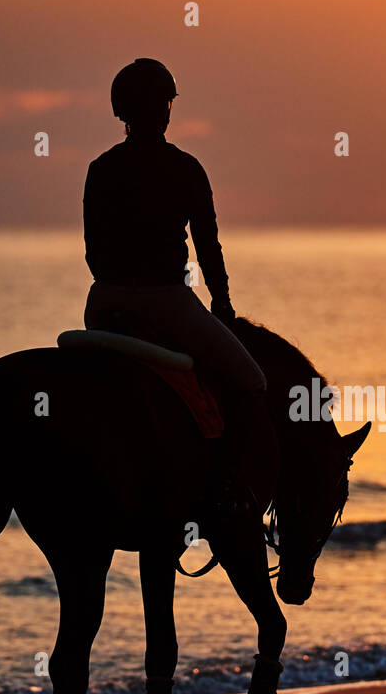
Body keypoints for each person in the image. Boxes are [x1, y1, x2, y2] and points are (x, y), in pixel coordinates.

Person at [82, 58, 270, 512]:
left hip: (103, 304)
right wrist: (222, 306)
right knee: (252, 383)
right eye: (163, 101)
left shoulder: (100, 168)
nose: (165, 109)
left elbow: (93, 251)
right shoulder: (185, 168)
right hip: (166, 301)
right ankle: (227, 485)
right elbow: (208, 248)